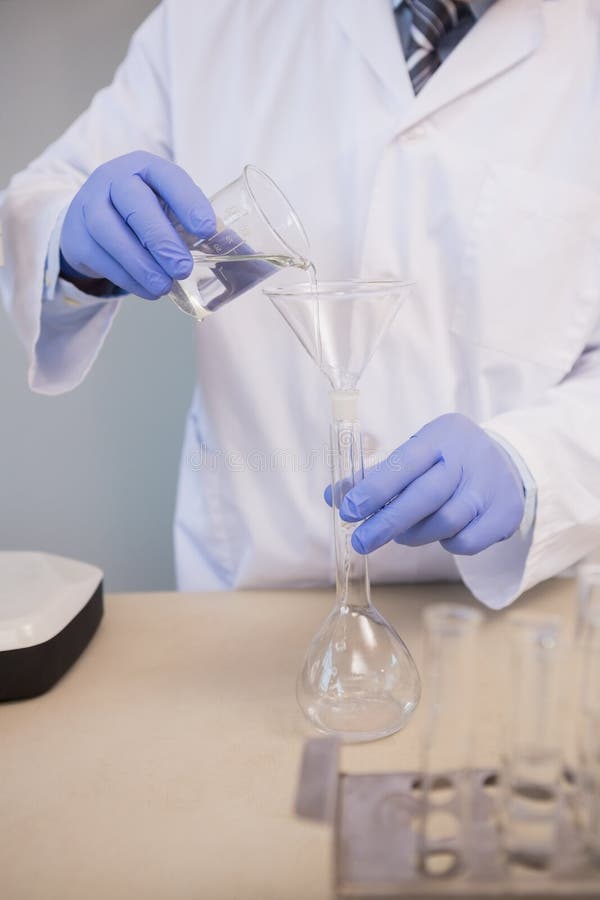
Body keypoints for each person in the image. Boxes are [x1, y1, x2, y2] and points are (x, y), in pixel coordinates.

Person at [2, 0, 600, 609]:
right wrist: (72, 243)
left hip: (516, 608)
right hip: (249, 605)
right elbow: (41, 200)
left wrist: (530, 465)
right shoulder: (210, 20)